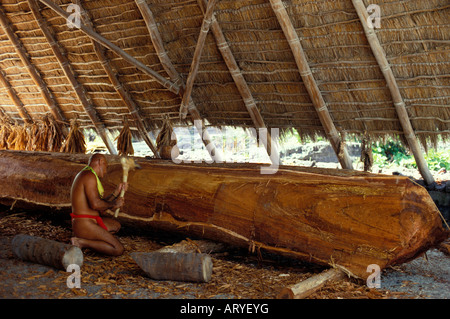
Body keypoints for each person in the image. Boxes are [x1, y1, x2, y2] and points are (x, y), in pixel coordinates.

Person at [70, 153, 127, 256]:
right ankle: (82, 242)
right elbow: (96, 205)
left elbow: (100, 206)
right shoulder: (89, 176)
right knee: (118, 249)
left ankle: (92, 240)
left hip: (90, 220)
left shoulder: (89, 175)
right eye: (106, 166)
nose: (106, 171)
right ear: (100, 162)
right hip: (84, 224)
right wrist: (114, 204)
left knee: (116, 226)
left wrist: (116, 193)